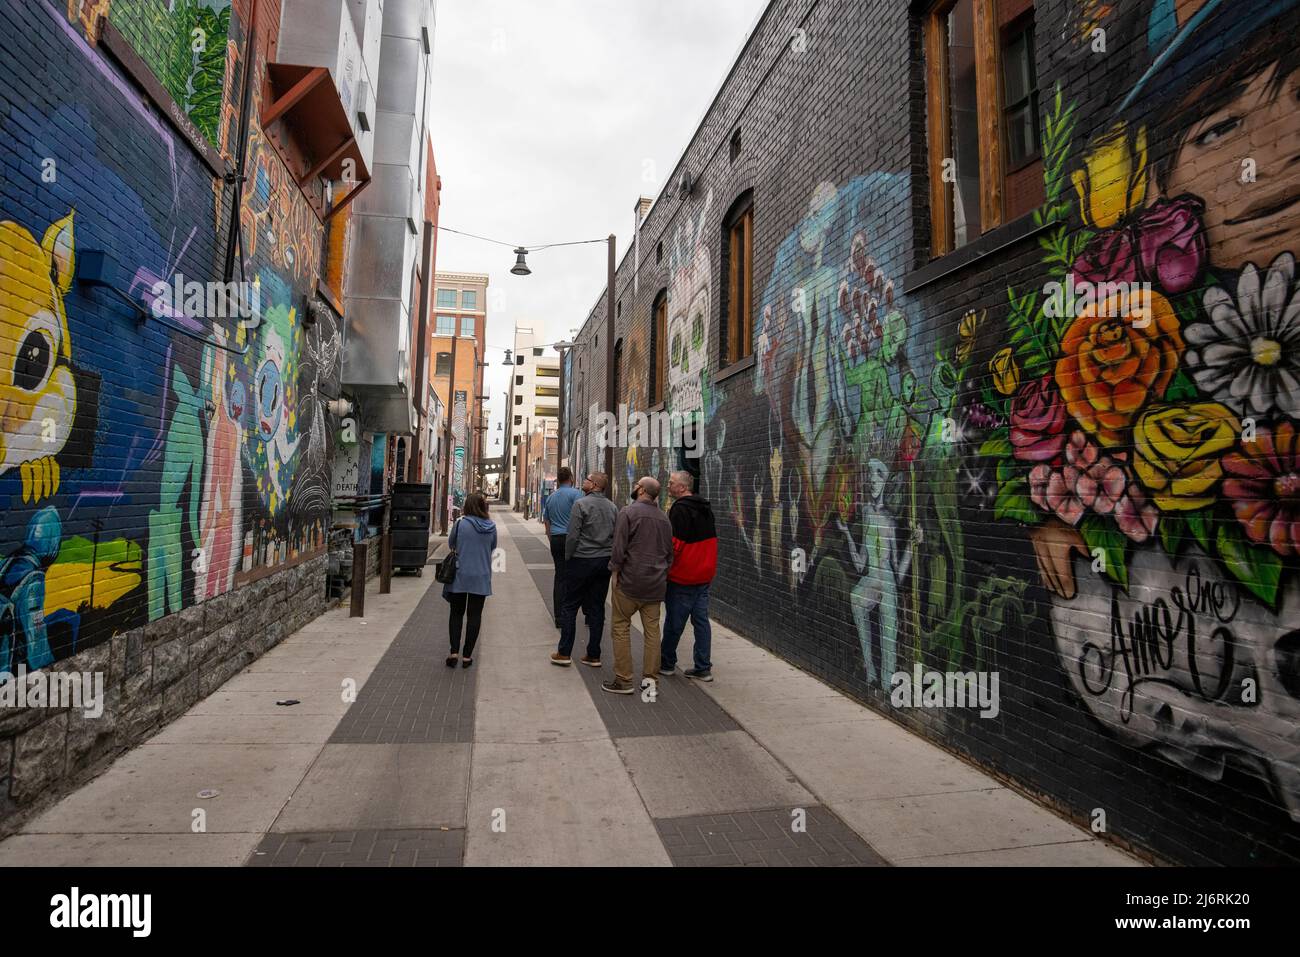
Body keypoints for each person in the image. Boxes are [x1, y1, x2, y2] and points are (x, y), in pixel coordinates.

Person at [604, 476, 674, 695]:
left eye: (637, 485)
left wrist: (615, 572)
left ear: (642, 490)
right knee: (652, 632)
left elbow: (618, 548)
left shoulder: (628, 512)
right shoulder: (664, 519)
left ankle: (624, 681)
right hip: (655, 585)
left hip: (630, 581)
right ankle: (650, 683)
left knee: (621, 627)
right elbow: (669, 555)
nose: (634, 487)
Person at [551, 471, 618, 667]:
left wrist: (568, 557)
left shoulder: (580, 505)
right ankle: (594, 654)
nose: (584, 482)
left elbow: (572, 536)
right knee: (597, 607)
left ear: (595, 484)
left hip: (582, 559)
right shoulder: (613, 507)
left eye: (588, 480)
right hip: (603, 561)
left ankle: (564, 653)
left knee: (570, 605)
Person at [659, 471, 718, 681]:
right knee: (701, 622)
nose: (668, 486)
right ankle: (703, 667)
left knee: (675, 621)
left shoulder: (679, 510)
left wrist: (663, 567)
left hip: (683, 576)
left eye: (671, 483)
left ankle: (666, 663)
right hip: (704, 575)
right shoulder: (706, 509)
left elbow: (675, 545)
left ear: (682, 488)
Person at [443, 492, 496, 669]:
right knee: (475, 616)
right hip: (481, 576)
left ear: (466, 506)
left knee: (456, 614)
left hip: (460, 575)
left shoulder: (460, 524)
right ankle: (467, 656)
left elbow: (451, 544)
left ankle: (454, 653)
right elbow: (492, 547)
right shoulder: (491, 526)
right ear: (483, 507)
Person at [542, 467, 583, 628]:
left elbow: (547, 521)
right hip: (571, 539)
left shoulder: (552, 498)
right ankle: (570, 613)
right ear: (571, 478)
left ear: (558, 480)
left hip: (556, 539)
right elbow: (580, 518)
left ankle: (558, 616)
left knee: (559, 576)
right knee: (574, 577)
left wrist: (551, 538)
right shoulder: (576, 495)